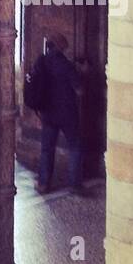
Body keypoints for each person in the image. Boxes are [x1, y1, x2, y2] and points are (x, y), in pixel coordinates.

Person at [26, 33, 85, 195]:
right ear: (61, 47)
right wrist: (82, 73)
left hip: (48, 113)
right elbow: (79, 90)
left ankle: (44, 184)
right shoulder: (67, 65)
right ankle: (75, 184)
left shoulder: (42, 62)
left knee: (47, 149)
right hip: (67, 114)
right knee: (75, 147)